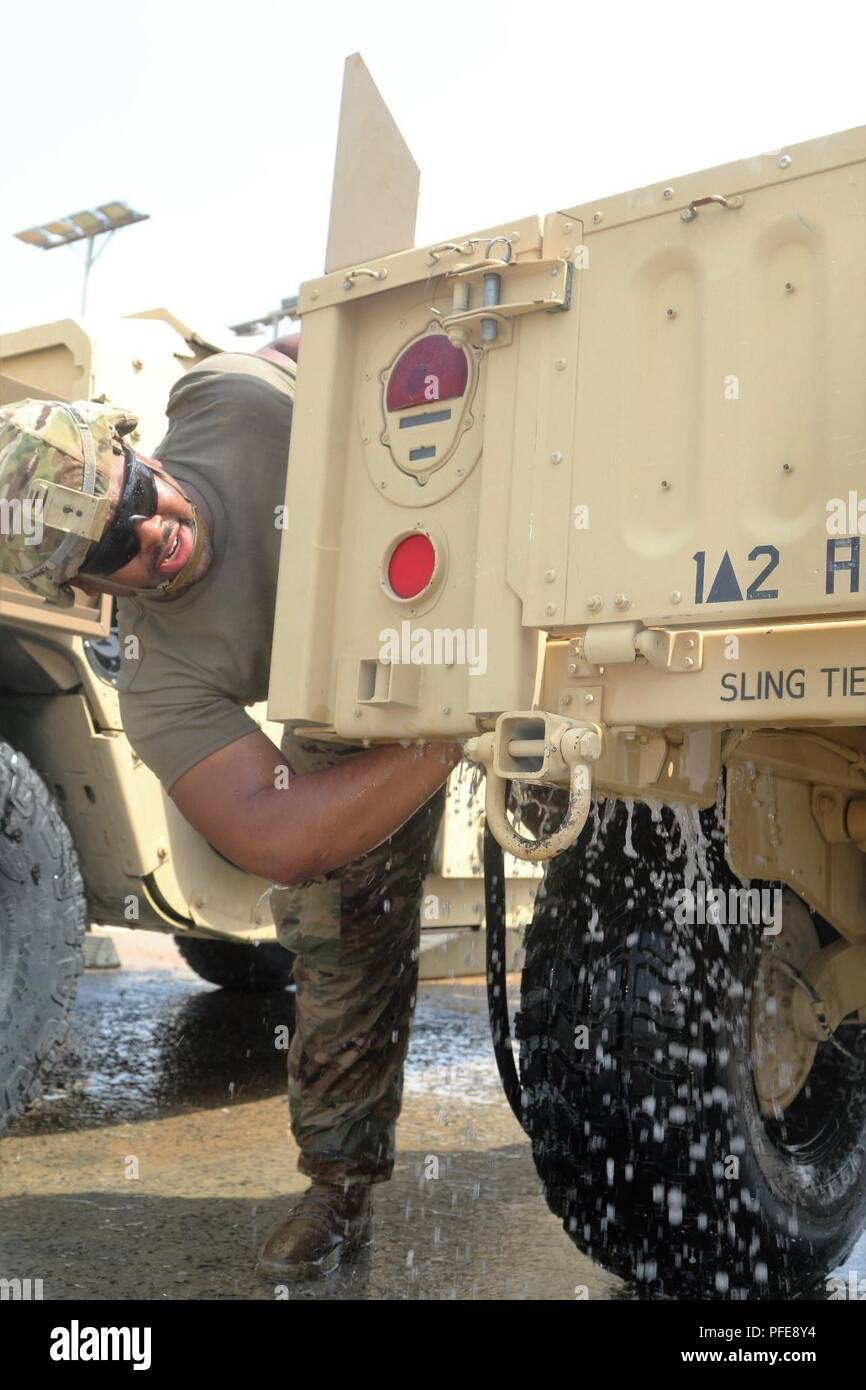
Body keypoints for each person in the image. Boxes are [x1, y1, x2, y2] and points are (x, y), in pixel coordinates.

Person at [0, 338, 461, 1281]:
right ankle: (340, 1185)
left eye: (128, 501)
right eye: (104, 551)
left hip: (474, 538)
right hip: (365, 693)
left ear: (133, 455)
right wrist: (450, 736)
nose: (146, 535)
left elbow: (354, 333)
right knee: (334, 908)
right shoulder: (161, 682)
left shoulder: (230, 394)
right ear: (83, 589)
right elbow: (274, 833)